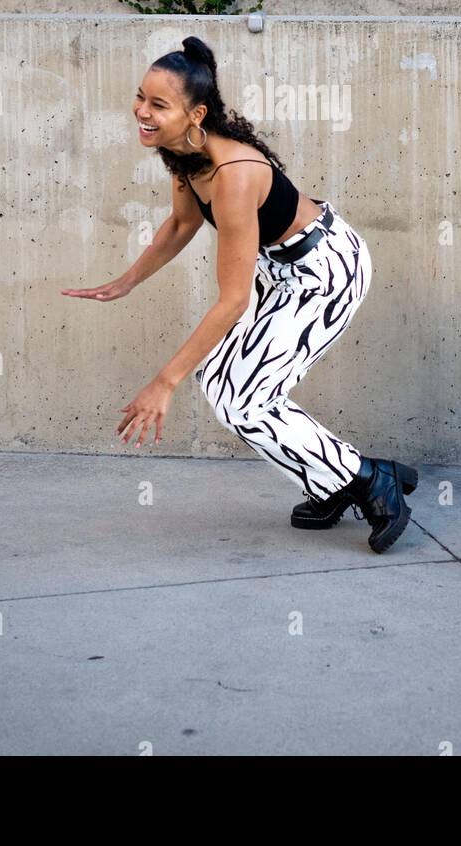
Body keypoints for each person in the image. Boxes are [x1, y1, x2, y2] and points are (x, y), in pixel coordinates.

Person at [62, 35, 416, 553]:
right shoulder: (183, 152)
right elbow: (181, 224)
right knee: (224, 387)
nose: (142, 111)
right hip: (283, 271)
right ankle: (330, 483)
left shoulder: (233, 175)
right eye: (141, 97)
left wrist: (164, 382)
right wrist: (127, 280)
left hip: (326, 272)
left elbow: (232, 302)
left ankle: (369, 479)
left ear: (195, 113)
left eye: (158, 104)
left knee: (247, 397)